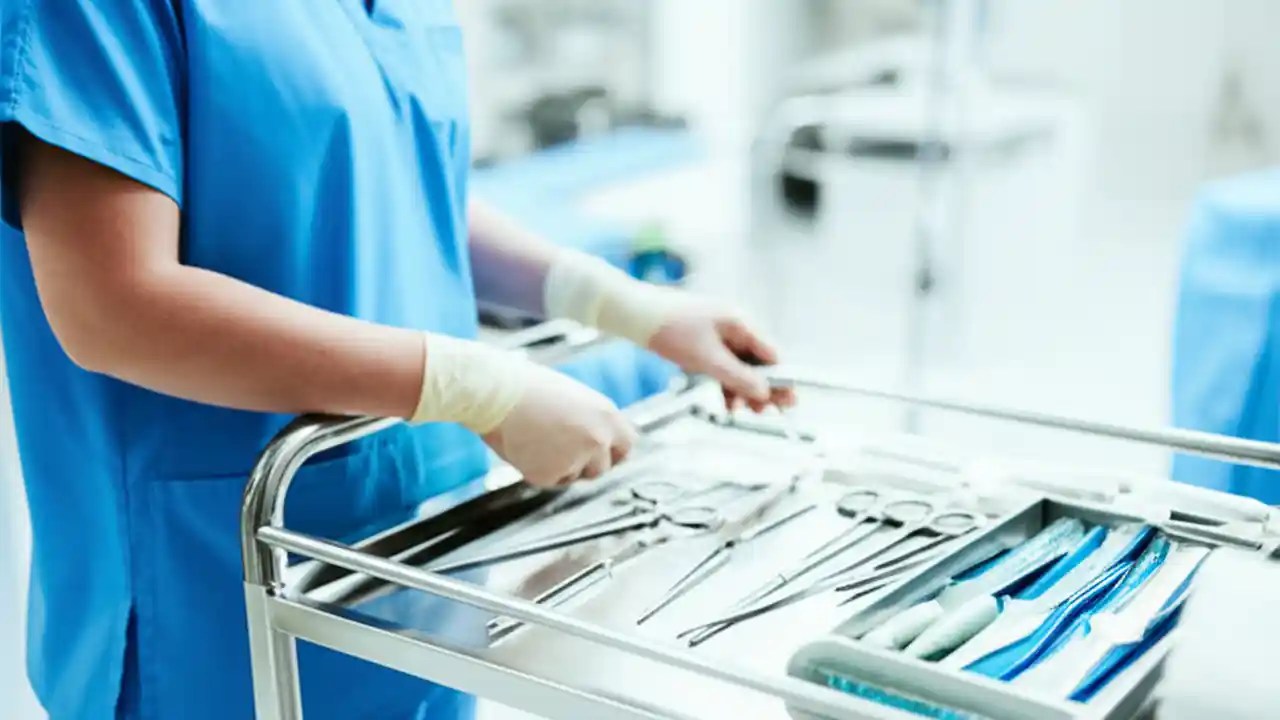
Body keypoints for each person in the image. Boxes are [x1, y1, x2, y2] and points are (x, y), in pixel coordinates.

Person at [0, 2, 791, 720]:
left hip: (424, 561)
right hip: (217, 595)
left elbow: (409, 183)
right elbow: (115, 309)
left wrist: (630, 310)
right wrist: (478, 387)